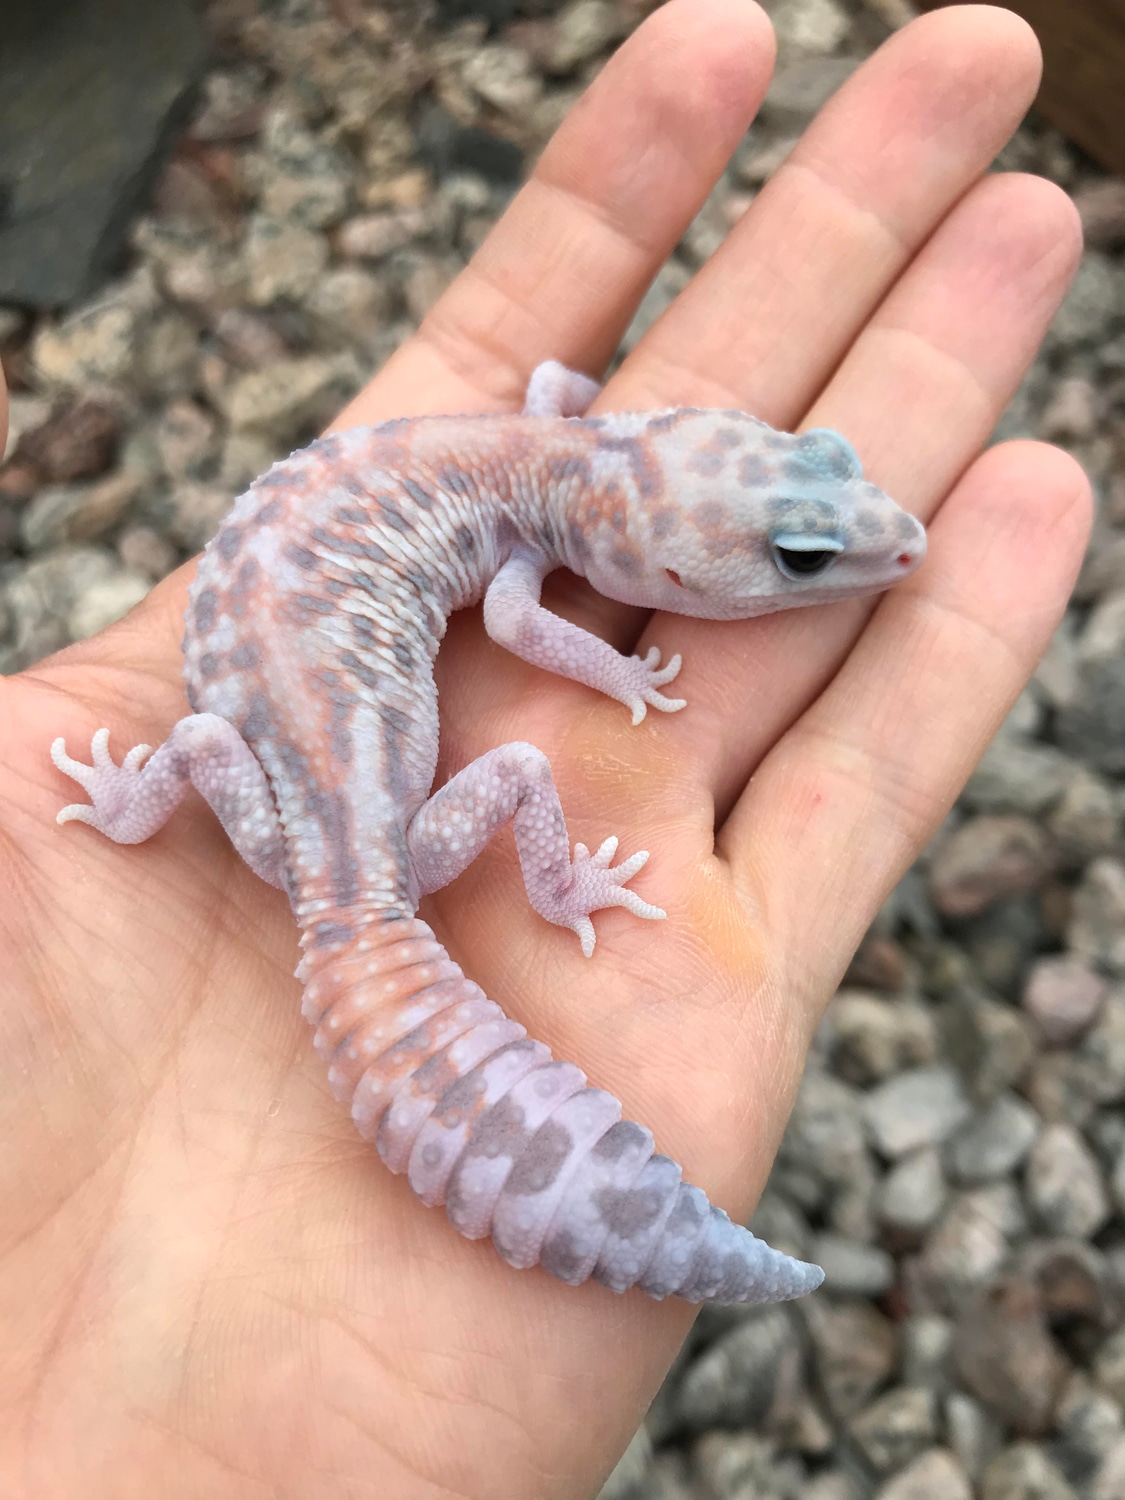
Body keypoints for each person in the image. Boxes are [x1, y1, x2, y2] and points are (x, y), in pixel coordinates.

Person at [0, 2, 1091, 1494]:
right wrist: (600, 767)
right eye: (793, 554)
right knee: (487, 761)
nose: (861, 552)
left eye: (810, 516)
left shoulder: (559, 451)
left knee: (204, 737)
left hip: (295, 822)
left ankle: (142, 807)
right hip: (357, 847)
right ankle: (630, 1151)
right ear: (641, 542)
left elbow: (551, 426)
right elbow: (523, 643)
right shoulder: (547, 523)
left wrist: (133, 804)